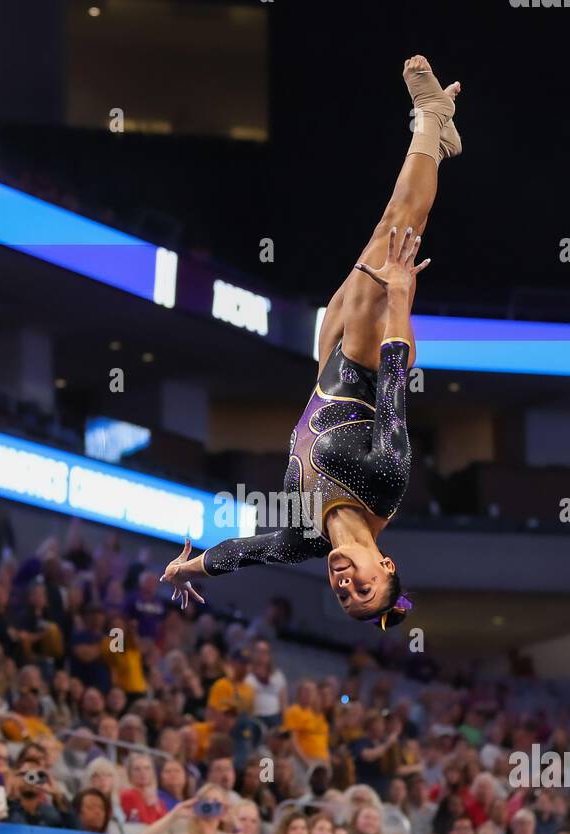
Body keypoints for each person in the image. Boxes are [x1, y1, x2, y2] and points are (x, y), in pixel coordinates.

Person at [160, 55, 462, 629]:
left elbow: (242, 553)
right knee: (397, 228)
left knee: (385, 227)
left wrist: (188, 570)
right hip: (374, 358)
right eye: (366, 587)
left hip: (327, 365)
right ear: (385, 561)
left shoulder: (303, 534)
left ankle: (438, 140)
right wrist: (400, 292)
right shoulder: (384, 482)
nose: (347, 583)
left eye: (346, 596)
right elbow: (396, 380)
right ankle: (431, 117)